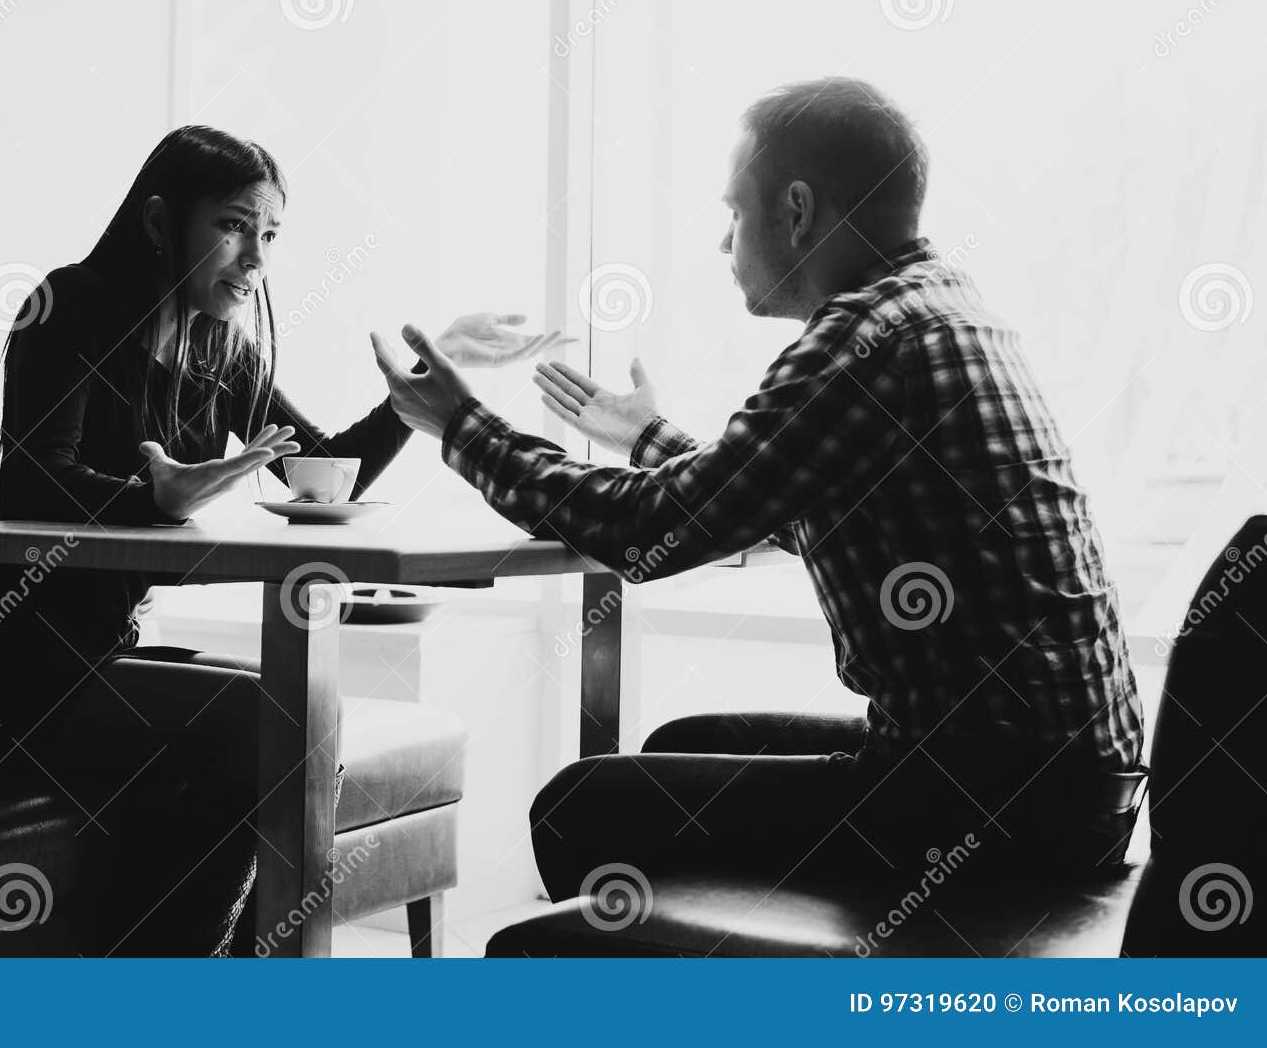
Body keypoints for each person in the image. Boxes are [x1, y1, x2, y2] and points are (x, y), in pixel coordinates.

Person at [371, 77, 1147, 899]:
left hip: (988, 805)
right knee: (677, 744)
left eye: (734, 213)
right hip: (1073, 787)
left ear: (798, 209)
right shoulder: (942, 308)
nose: (724, 242)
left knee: (579, 806)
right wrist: (643, 438)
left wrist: (461, 425)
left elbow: (649, 531)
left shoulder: (863, 339)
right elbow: (780, 497)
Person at [0, 125, 567, 954]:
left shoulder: (226, 352)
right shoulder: (70, 305)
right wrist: (154, 493)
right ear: (158, 221)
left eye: (272, 234)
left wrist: (424, 390)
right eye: (234, 224)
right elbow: (37, 482)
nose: (257, 256)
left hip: (93, 656)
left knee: (285, 719)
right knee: (268, 722)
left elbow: (322, 474)